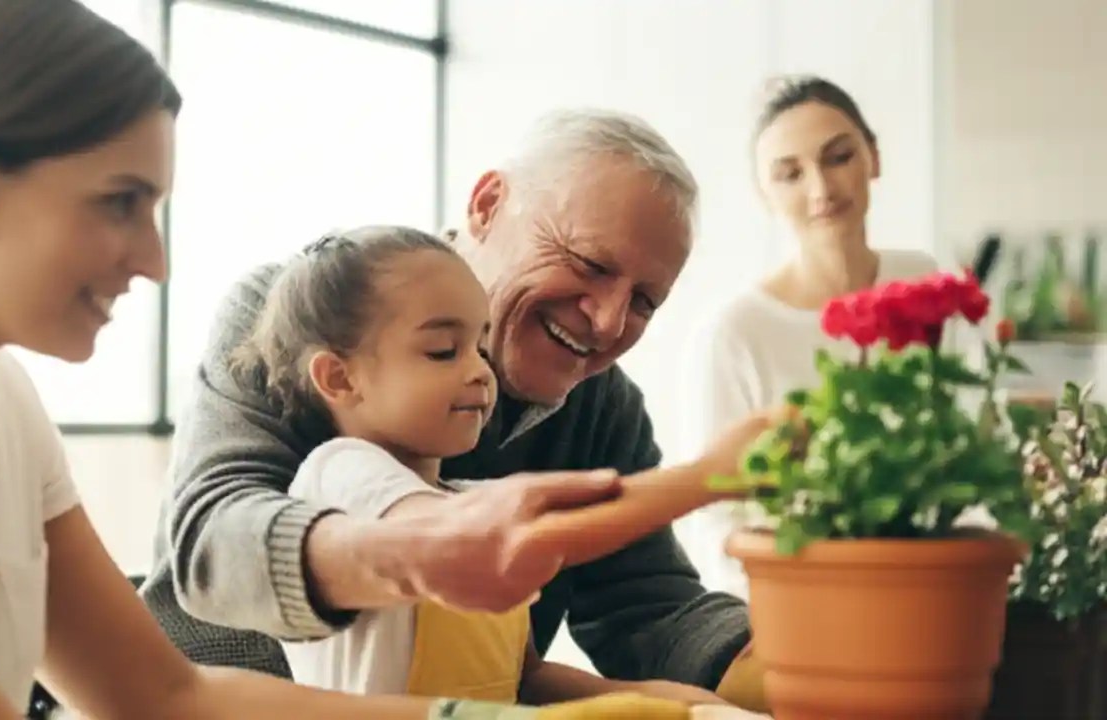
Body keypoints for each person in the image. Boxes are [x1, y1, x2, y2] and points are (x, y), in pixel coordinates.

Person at [0, 2, 683, 719]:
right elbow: (211, 543)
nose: (153, 260)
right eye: (120, 202)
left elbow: (166, 698)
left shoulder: (1, 401)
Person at [145, 108, 763, 692]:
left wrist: (791, 663)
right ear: (488, 205)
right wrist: (422, 550)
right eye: (588, 264)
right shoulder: (297, 318)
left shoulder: (602, 405)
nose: (607, 321)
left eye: (644, 303)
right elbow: (214, 543)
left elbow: (646, 605)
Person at [234, 225, 755, 710]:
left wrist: (669, 700)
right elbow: (495, 541)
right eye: (442, 351)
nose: (481, 373)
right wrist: (710, 476)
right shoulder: (340, 476)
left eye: (479, 346)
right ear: (339, 378)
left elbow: (521, 681)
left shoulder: (461, 499)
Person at [673, 75, 946, 599]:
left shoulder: (924, 284)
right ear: (764, 193)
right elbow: (712, 523)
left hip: (929, 589)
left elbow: (975, 433)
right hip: (795, 609)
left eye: (838, 157)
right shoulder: (733, 332)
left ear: (875, 157)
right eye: (790, 174)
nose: (820, 189)